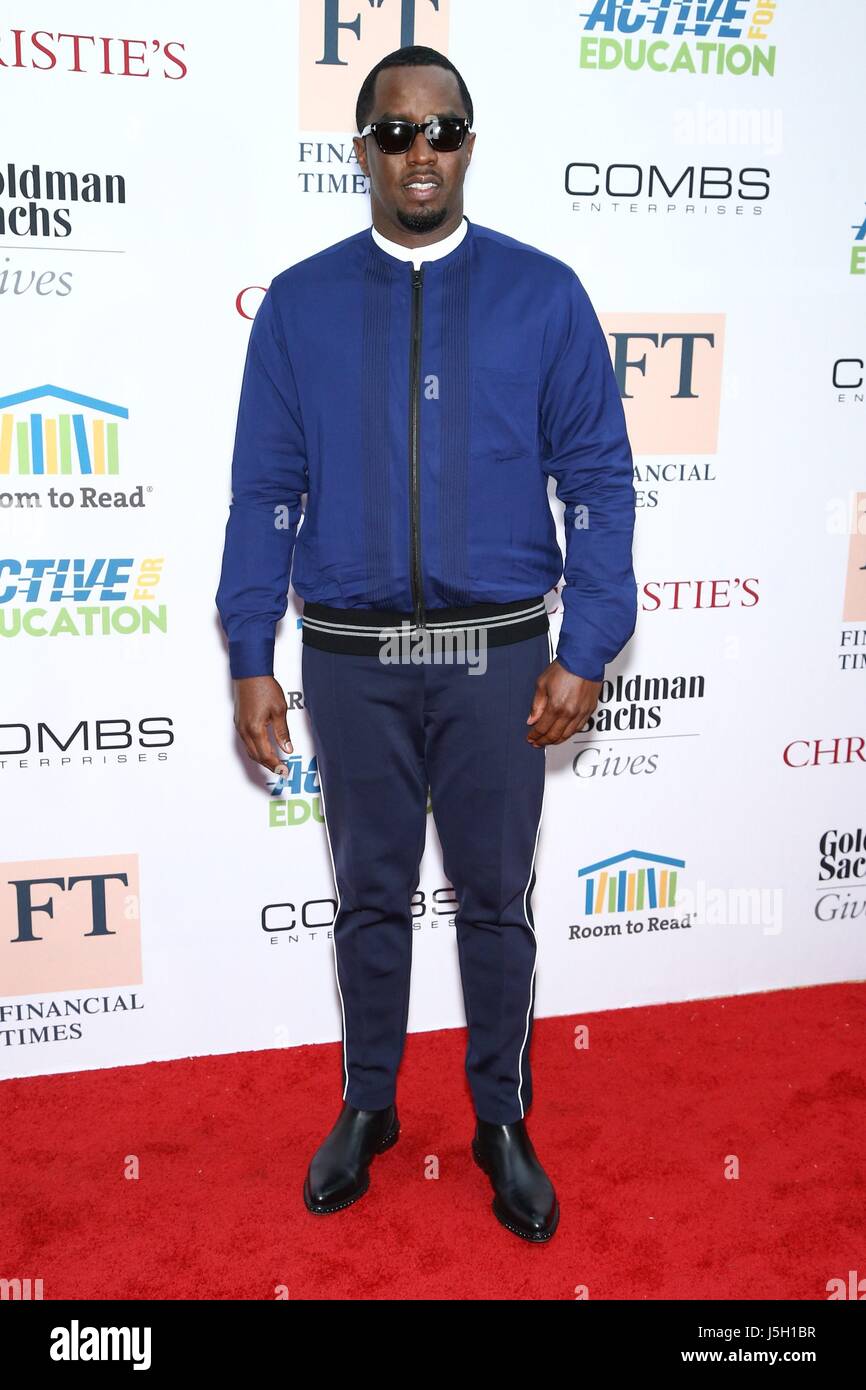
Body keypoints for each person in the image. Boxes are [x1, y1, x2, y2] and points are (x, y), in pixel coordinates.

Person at [215, 44, 637, 1242]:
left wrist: (588, 640)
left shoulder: (541, 293)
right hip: (348, 660)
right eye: (394, 133)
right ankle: (369, 1104)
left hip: (501, 656)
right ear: (358, 149)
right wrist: (252, 648)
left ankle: (499, 1119)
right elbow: (264, 490)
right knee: (368, 901)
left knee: (495, 901)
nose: (419, 152)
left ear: (467, 145)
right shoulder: (298, 305)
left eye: (440, 130)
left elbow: (598, 482)